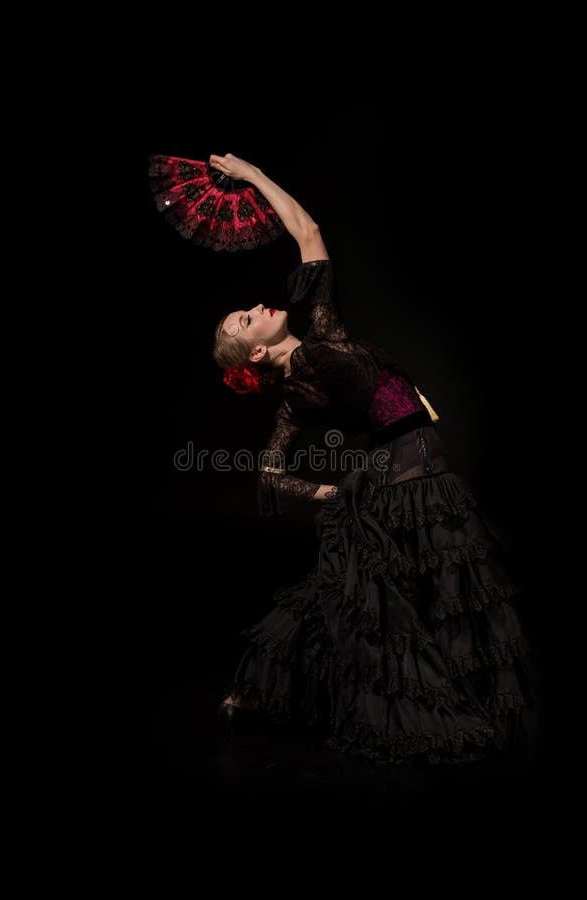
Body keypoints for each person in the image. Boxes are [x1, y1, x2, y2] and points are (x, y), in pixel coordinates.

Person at [210, 152, 533, 764]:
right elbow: (270, 471)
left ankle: (248, 694)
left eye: (250, 308)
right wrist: (327, 494)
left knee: (359, 592)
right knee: (397, 599)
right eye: (246, 320)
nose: (257, 308)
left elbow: (306, 232)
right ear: (253, 355)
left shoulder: (317, 349)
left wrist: (252, 177)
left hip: (402, 471)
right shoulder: (304, 378)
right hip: (410, 475)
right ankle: (257, 693)